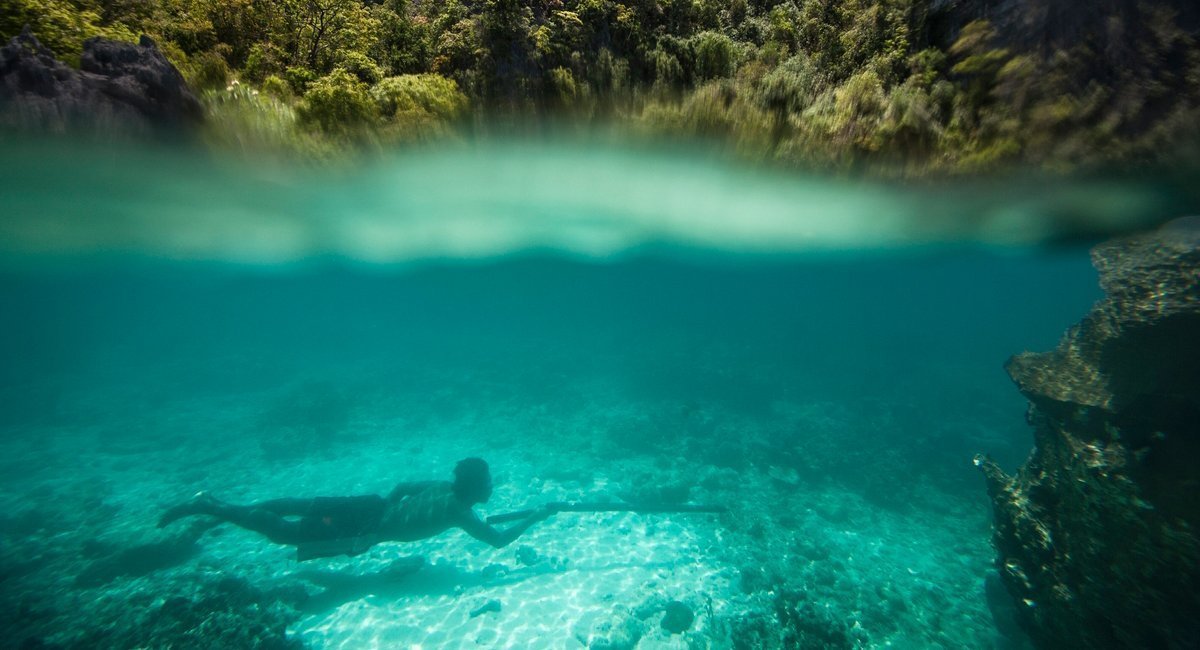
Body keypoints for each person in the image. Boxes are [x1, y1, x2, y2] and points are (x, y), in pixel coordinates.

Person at [157, 457, 552, 561]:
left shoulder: (442, 487)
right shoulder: (460, 513)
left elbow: (399, 488)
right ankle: (212, 508)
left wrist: (389, 511)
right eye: (489, 483)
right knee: (284, 532)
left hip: (371, 506)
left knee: (300, 505)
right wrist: (538, 515)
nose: (493, 486)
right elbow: (498, 541)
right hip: (367, 525)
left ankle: (230, 510)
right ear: (475, 488)